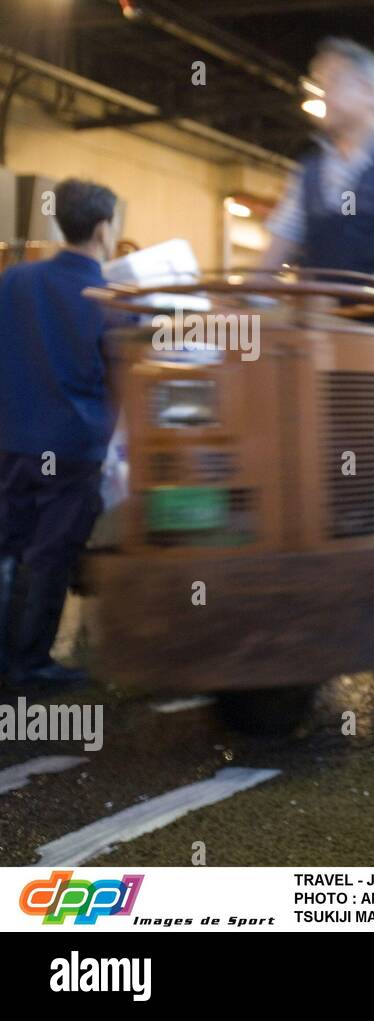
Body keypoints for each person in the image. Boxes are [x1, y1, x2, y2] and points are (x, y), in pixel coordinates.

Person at [260, 37, 374, 539]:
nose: (319, 87)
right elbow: (283, 238)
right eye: (316, 79)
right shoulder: (311, 168)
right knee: (322, 429)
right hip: (325, 334)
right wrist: (245, 295)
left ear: (366, 90)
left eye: (331, 78)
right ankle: (329, 542)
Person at [0, 179, 119, 690]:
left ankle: (6, 660)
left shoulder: (14, 281)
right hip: (71, 446)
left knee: (8, 546)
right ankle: (31, 664)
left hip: (11, 441)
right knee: (49, 554)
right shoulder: (109, 296)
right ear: (102, 229)